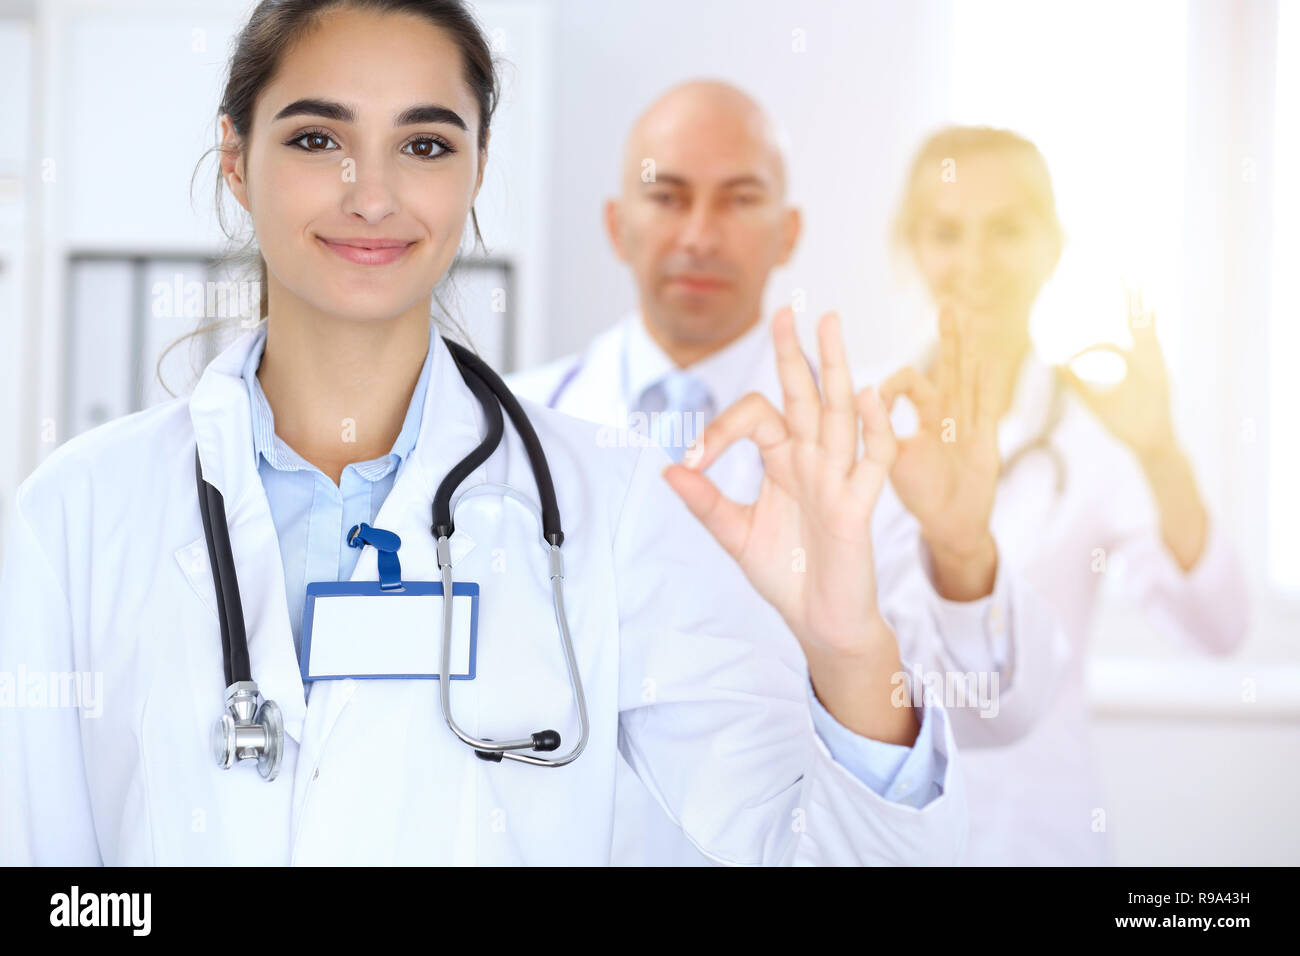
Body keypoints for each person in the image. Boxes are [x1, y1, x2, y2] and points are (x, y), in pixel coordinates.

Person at [0, 0, 968, 866]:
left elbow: (818, 853)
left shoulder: (611, 508)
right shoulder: (77, 515)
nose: (370, 192)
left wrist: (849, 645)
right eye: (313, 139)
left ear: (476, 170)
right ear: (234, 158)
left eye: (424, 144)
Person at [508, 82, 1065, 865]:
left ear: (788, 233)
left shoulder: (874, 446)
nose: (700, 234)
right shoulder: (514, 432)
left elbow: (996, 717)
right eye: (667, 197)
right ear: (616, 225)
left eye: (739, 200)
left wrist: (965, 551)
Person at [881, 125, 1250, 865]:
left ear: (1054, 245)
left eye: (1007, 230)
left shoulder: (1099, 429)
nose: (977, 262)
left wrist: (1160, 454)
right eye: (947, 232)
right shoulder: (861, 417)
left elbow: (1219, 629)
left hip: (1036, 825)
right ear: (911, 248)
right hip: (881, 822)